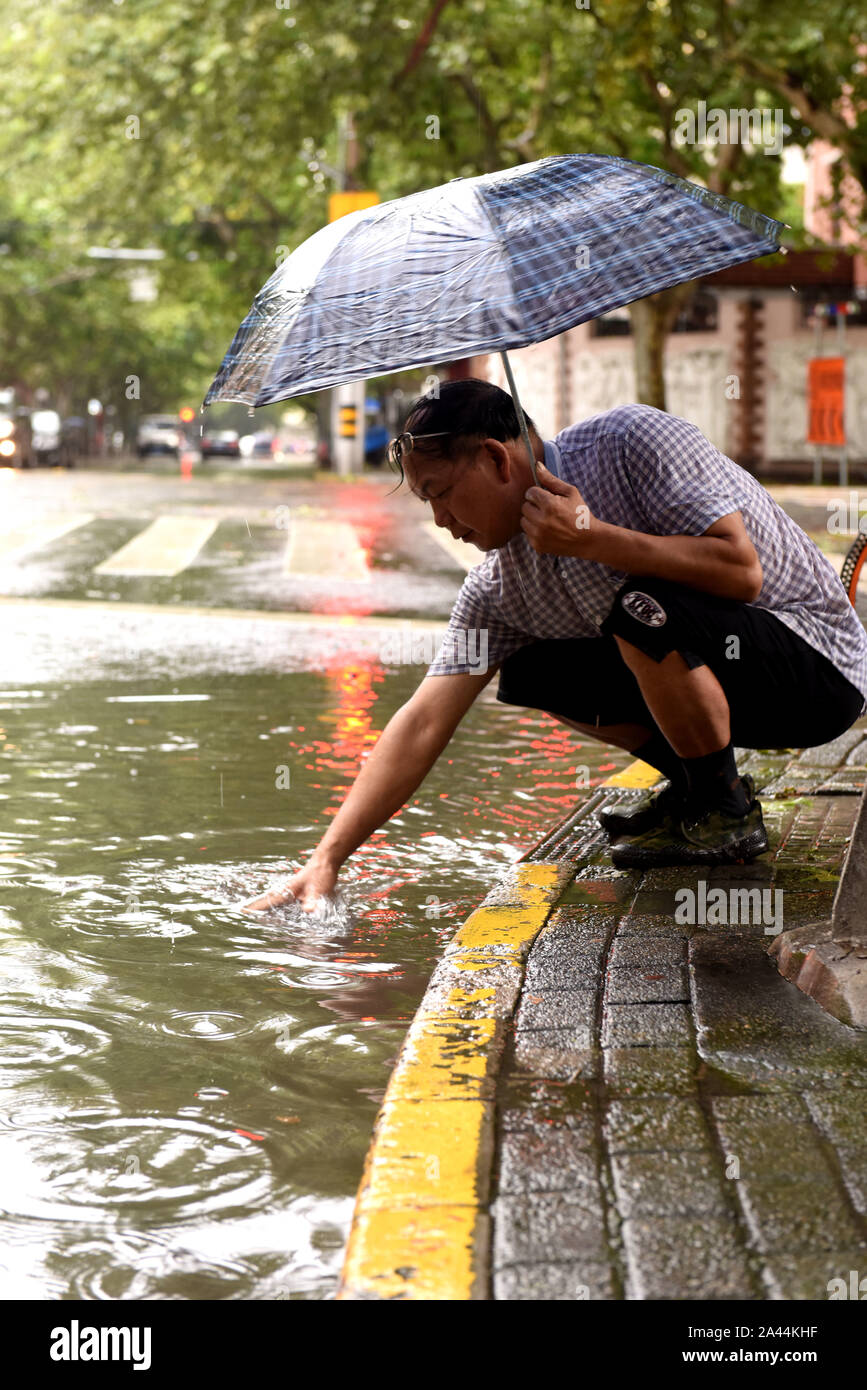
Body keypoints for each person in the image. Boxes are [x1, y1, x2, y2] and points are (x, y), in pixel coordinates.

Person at [244, 379, 867, 912]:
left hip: (816, 667)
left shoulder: (631, 441)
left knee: (639, 608)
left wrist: (593, 537)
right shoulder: (497, 587)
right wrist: (327, 859)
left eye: (439, 491)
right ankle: (696, 790)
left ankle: (724, 812)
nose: (438, 519)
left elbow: (741, 570)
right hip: (722, 679)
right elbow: (424, 719)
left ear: (495, 458)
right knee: (530, 664)